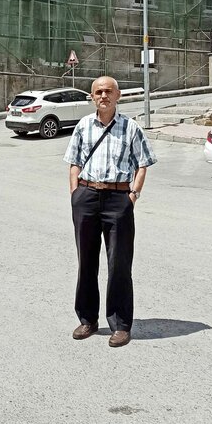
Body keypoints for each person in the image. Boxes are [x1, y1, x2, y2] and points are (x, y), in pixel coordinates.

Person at [64, 75, 156, 348]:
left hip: (118, 198)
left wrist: (133, 195)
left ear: (118, 96)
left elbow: (143, 163)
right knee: (87, 262)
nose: (103, 96)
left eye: (108, 91)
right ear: (92, 97)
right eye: (98, 92)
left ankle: (121, 325)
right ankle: (87, 320)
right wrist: (75, 193)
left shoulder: (131, 128)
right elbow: (73, 162)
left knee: (119, 264)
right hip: (87, 196)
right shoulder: (83, 126)